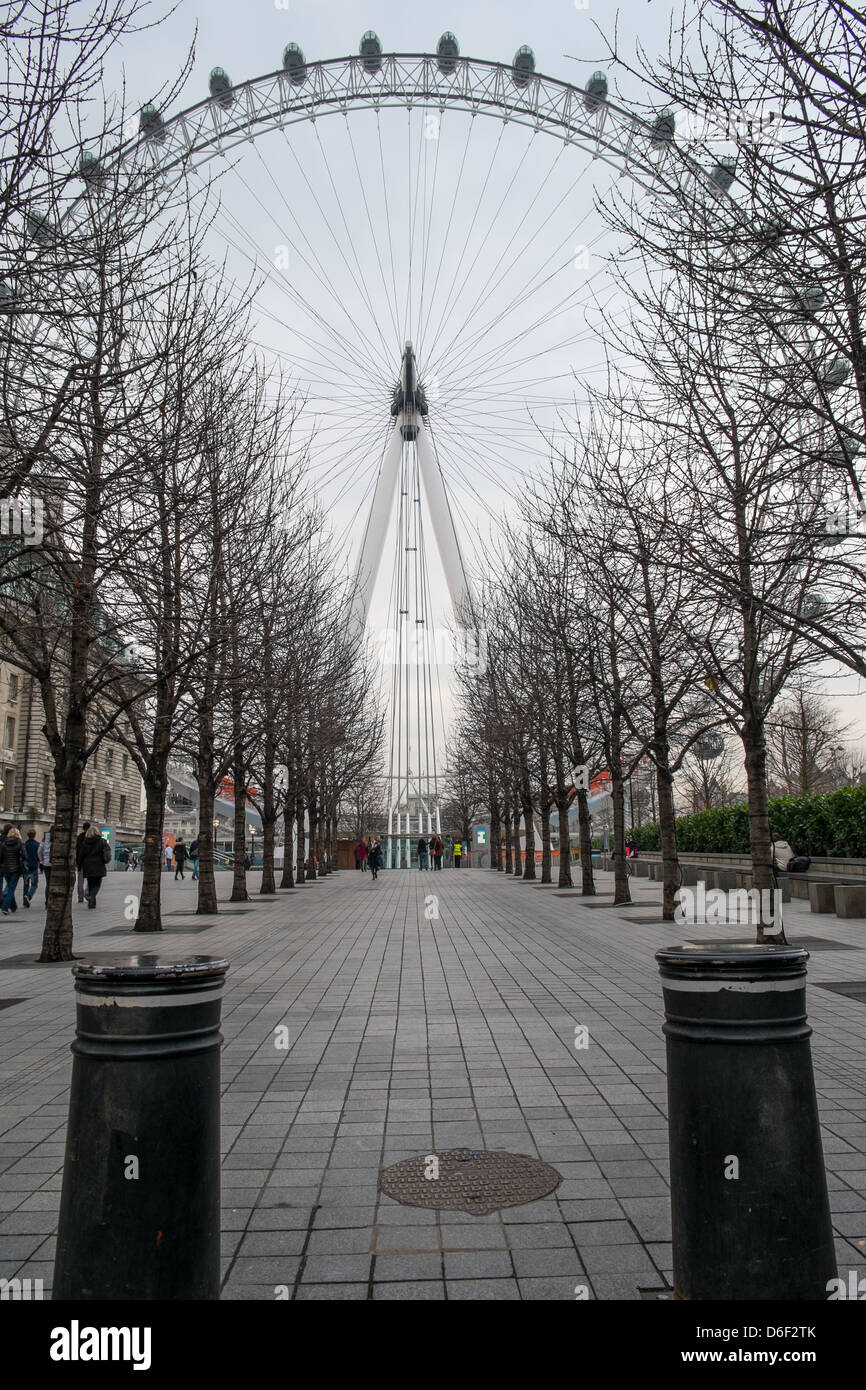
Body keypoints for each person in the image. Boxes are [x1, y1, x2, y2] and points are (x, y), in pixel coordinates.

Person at [77, 825, 111, 908]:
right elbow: (107, 853)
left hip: (87, 865)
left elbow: (81, 855)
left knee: (91, 883)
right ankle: (92, 897)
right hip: (99, 864)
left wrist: (79, 867)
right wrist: (105, 860)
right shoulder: (102, 841)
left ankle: (92, 902)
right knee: (97, 884)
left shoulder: (85, 843)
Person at [0, 826, 27, 914]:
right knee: (11, 888)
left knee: (10, 887)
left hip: (6, 869)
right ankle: (5, 907)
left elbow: (1, 857)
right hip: (16, 869)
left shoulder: (4, 844)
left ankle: (13, 906)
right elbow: (24, 856)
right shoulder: (19, 843)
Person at [22, 829, 40, 907]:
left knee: (26, 884)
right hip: (34, 865)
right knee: (34, 884)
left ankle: (24, 900)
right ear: (34, 835)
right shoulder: (37, 844)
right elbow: (38, 855)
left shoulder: (24, 844)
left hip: (26, 866)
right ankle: (28, 896)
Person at [75, 820, 91, 902]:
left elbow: (76, 850)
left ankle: (80, 896)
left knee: (80, 880)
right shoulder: (91, 838)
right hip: (89, 862)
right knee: (90, 879)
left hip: (80, 862)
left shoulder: (79, 838)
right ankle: (87, 893)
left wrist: (77, 862)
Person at [38, 824, 53, 896]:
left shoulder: (45, 839)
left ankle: (47, 901)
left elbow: (39, 851)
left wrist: (41, 861)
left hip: (46, 863)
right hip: (55, 863)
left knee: (48, 883)